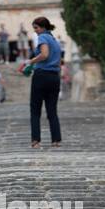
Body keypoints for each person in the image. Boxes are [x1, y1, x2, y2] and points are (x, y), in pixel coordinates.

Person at [20, 17, 62, 150]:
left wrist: (30, 61)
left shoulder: (43, 37)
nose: (35, 31)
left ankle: (35, 140)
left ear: (43, 27)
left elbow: (44, 55)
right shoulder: (54, 40)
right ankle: (56, 140)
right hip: (54, 76)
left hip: (42, 76)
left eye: (36, 28)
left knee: (35, 109)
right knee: (52, 110)